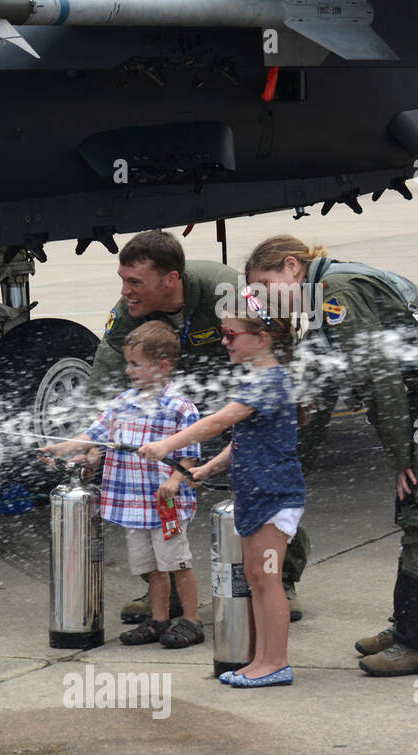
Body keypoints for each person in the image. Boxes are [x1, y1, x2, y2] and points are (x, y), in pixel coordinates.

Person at [243, 235, 418, 676]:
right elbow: (326, 386)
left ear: (292, 267)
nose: (263, 300)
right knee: (417, 509)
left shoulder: (335, 293)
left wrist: (400, 455)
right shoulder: (327, 292)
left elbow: (377, 378)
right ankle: (415, 624)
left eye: (265, 286)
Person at [83, 230, 318, 624]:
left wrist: (289, 400)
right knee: (155, 481)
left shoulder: (222, 290)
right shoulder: (129, 310)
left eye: (135, 281)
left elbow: (273, 332)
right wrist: (95, 440)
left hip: (244, 394)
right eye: (123, 281)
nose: (126, 291)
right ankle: (163, 586)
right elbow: (109, 368)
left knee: (268, 483)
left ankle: (283, 579)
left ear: (171, 279)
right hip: (177, 401)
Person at [139, 295, 305, 687]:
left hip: (274, 497)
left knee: (267, 579)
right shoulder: (259, 380)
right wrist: (210, 467)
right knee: (256, 579)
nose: (225, 342)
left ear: (261, 338)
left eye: (231, 334)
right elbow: (241, 437)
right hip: (259, 496)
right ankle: (261, 659)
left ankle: (275, 662)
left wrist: (167, 446)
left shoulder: (270, 381)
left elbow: (219, 422)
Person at [42, 321, 205, 648]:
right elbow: (93, 436)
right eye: (127, 363)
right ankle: (158, 621)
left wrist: (174, 480)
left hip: (165, 506)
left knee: (177, 563)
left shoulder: (179, 407)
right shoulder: (121, 404)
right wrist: (63, 449)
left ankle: (192, 620)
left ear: (162, 366)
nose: (128, 370)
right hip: (135, 505)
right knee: (152, 569)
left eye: (136, 364)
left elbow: (188, 456)